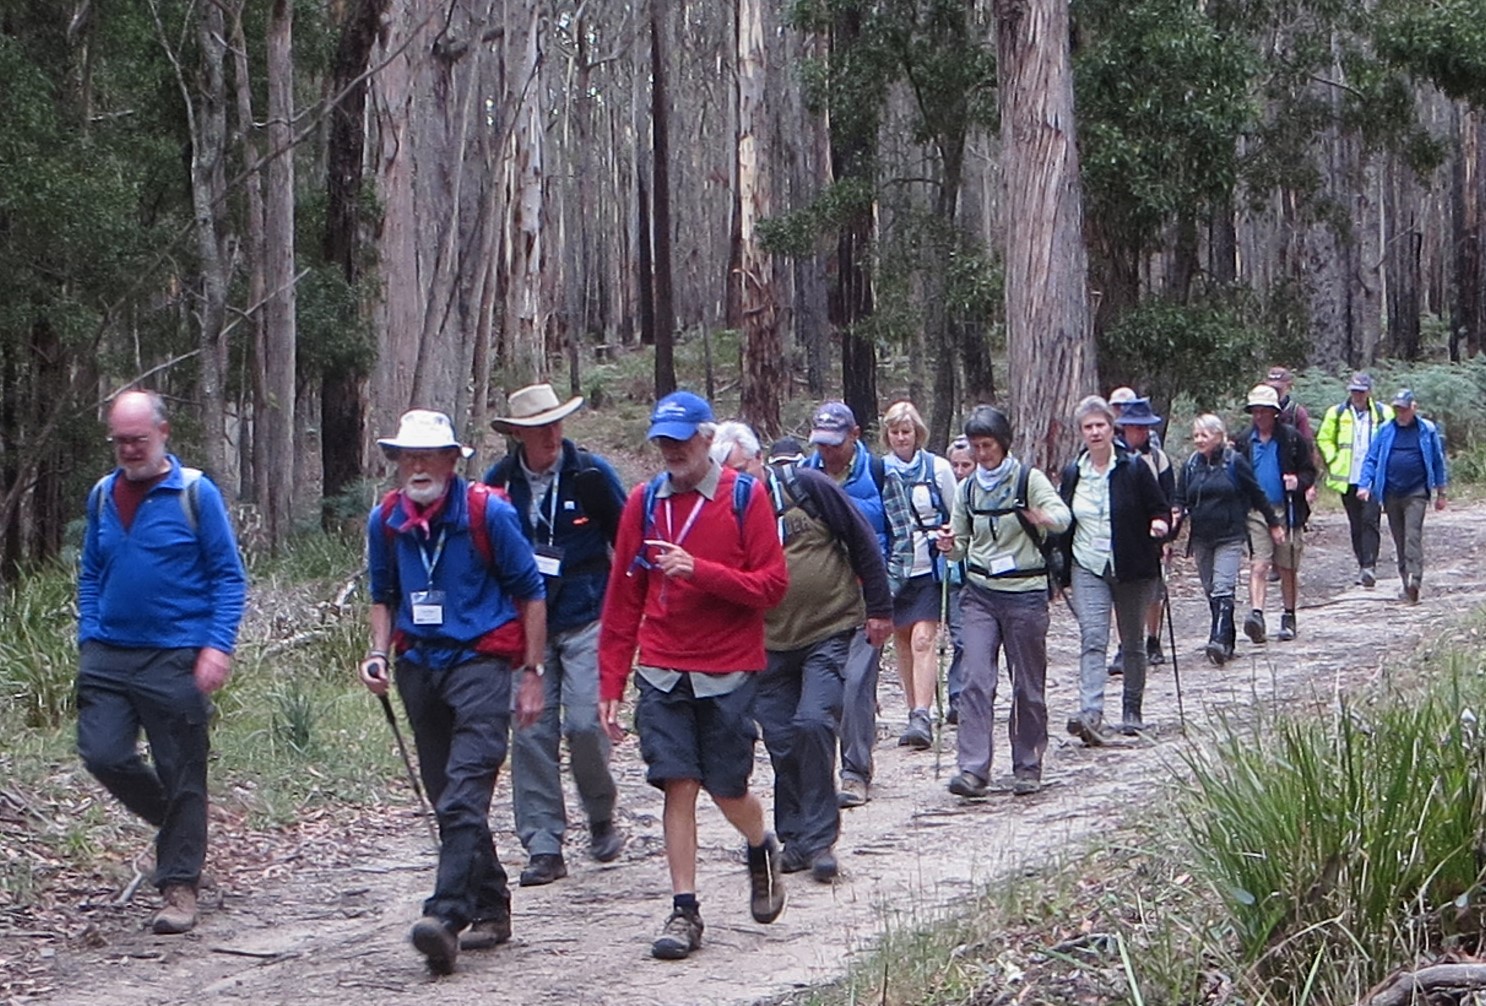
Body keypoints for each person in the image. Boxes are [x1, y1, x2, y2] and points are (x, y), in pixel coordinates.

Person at [598, 391, 790, 961]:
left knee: (727, 789)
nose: (672, 450)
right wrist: (609, 684)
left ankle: (761, 843)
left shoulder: (745, 498)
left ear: (708, 440)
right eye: (663, 440)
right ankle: (685, 910)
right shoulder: (643, 502)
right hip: (661, 670)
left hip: (728, 670)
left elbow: (771, 587)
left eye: (682, 439)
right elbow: (622, 599)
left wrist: (699, 571)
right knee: (677, 783)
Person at [360, 409, 547, 974]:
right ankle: (491, 905)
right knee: (450, 798)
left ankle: (444, 916)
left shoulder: (488, 513)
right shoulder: (386, 520)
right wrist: (376, 652)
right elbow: (383, 594)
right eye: (406, 457)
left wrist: (533, 673)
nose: (416, 466)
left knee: (465, 793)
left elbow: (532, 591)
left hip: (482, 665)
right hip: (419, 664)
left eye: (427, 455)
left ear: (451, 460)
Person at [77, 390, 247, 935]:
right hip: (108, 652)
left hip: (175, 655)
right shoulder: (103, 495)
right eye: (120, 441)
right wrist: (88, 632)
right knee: (102, 753)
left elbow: (228, 575)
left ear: (163, 434)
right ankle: (179, 827)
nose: (128, 450)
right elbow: (90, 571)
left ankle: (180, 887)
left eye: (138, 440)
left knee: (183, 769)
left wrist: (217, 647)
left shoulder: (195, 494)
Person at [710, 426, 892, 884]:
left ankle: (821, 841)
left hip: (828, 629)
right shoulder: (724, 513)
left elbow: (861, 537)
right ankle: (793, 839)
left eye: (741, 468)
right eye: (726, 473)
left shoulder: (805, 487)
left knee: (814, 723)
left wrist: (880, 608)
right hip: (767, 642)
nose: (737, 479)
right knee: (782, 738)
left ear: (759, 460)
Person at [484, 383, 626, 888]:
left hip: (589, 615)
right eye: (539, 428)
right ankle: (543, 844)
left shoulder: (590, 475)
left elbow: (625, 539)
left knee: (586, 724)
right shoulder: (499, 484)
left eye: (555, 423)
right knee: (531, 731)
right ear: (519, 434)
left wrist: (631, 611)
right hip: (526, 627)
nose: (551, 435)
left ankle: (601, 814)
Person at [936, 406, 1071, 798]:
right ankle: (973, 769)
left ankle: (1027, 764)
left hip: (1025, 595)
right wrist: (948, 545)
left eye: (987, 445)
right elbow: (959, 547)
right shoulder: (968, 490)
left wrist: (1041, 516)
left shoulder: (1028, 479)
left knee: (1027, 684)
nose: (980, 454)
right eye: (975, 446)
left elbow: (1062, 516)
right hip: (979, 593)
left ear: (1003, 443)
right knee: (976, 679)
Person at [802, 401, 914, 808]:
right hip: (816, 606)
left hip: (868, 600)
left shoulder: (883, 475)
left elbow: (902, 536)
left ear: (855, 434)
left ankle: (854, 771)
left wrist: (888, 591)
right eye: (821, 443)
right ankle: (815, 773)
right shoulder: (802, 476)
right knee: (818, 695)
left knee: (855, 686)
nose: (827, 451)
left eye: (835, 443)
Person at [1060, 397, 1169, 744]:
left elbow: (1160, 509)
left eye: (1100, 425)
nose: (1094, 432)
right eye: (1088, 427)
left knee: (1132, 640)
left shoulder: (1134, 468)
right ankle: (1090, 712)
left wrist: (1160, 526)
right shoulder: (1073, 472)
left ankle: (1131, 709)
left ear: (1112, 428)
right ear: (1081, 432)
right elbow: (1065, 521)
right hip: (1087, 565)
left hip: (1132, 564)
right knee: (1093, 638)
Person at [879, 401, 958, 751]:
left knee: (924, 638)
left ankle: (922, 714)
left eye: (906, 431)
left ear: (917, 433)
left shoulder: (938, 468)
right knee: (902, 639)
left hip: (929, 564)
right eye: (894, 432)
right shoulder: (879, 469)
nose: (900, 438)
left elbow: (955, 511)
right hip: (895, 567)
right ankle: (914, 708)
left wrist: (950, 542)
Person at [1173, 414, 1281, 664]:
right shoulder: (1190, 466)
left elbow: (1256, 493)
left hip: (1230, 535)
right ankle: (1227, 635)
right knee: (1211, 589)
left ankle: (1218, 640)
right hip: (1201, 537)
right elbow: (1179, 499)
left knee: (1223, 587)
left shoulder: (1235, 462)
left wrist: (1273, 523)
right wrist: (1172, 528)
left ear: (1219, 436)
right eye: (1196, 435)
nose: (1199, 440)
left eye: (1205, 435)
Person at [1235, 385, 1318, 643]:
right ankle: (1256, 615)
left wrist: (1298, 482)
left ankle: (1288, 615)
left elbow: (1309, 472)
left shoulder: (1292, 439)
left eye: (1263, 411)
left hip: (1288, 509)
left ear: (1274, 413)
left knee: (1287, 566)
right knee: (1259, 564)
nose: (1259, 416)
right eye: (1255, 411)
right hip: (1256, 512)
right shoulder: (1244, 440)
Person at [1358, 389, 1449, 604]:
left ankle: (1414, 580)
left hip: (1416, 491)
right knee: (1399, 539)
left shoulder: (1426, 430)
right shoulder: (1385, 430)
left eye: (1404, 409)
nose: (1401, 413)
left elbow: (1437, 461)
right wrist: (1365, 484)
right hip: (1391, 492)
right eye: (1397, 408)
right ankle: (1405, 581)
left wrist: (1441, 492)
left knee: (1412, 536)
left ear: (1413, 408)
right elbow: (1371, 459)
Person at [1113, 398, 1175, 667]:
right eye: (1134, 427)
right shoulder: (1114, 459)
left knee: (1154, 591)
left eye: (1144, 428)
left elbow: (1170, 497)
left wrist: (1167, 534)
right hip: (1123, 535)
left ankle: (1152, 639)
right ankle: (1123, 645)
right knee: (1120, 592)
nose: (1139, 432)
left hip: (1152, 534)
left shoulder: (1158, 458)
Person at [1315, 373, 1392, 587]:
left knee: (1370, 520)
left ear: (1369, 392)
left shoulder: (1383, 413)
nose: (1357, 395)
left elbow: (1392, 436)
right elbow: (1324, 438)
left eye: (1361, 391)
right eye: (1354, 391)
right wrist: (1333, 458)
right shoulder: (1337, 413)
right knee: (1356, 523)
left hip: (1372, 478)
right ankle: (1362, 564)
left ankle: (1369, 566)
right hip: (1347, 478)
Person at [944, 437, 975, 724]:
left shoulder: (979, 496)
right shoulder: (947, 494)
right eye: (955, 464)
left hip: (980, 577)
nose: (960, 470)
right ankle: (956, 697)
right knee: (960, 639)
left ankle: (972, 694)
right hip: (953, 577)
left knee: (973, 641)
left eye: (966, 465)